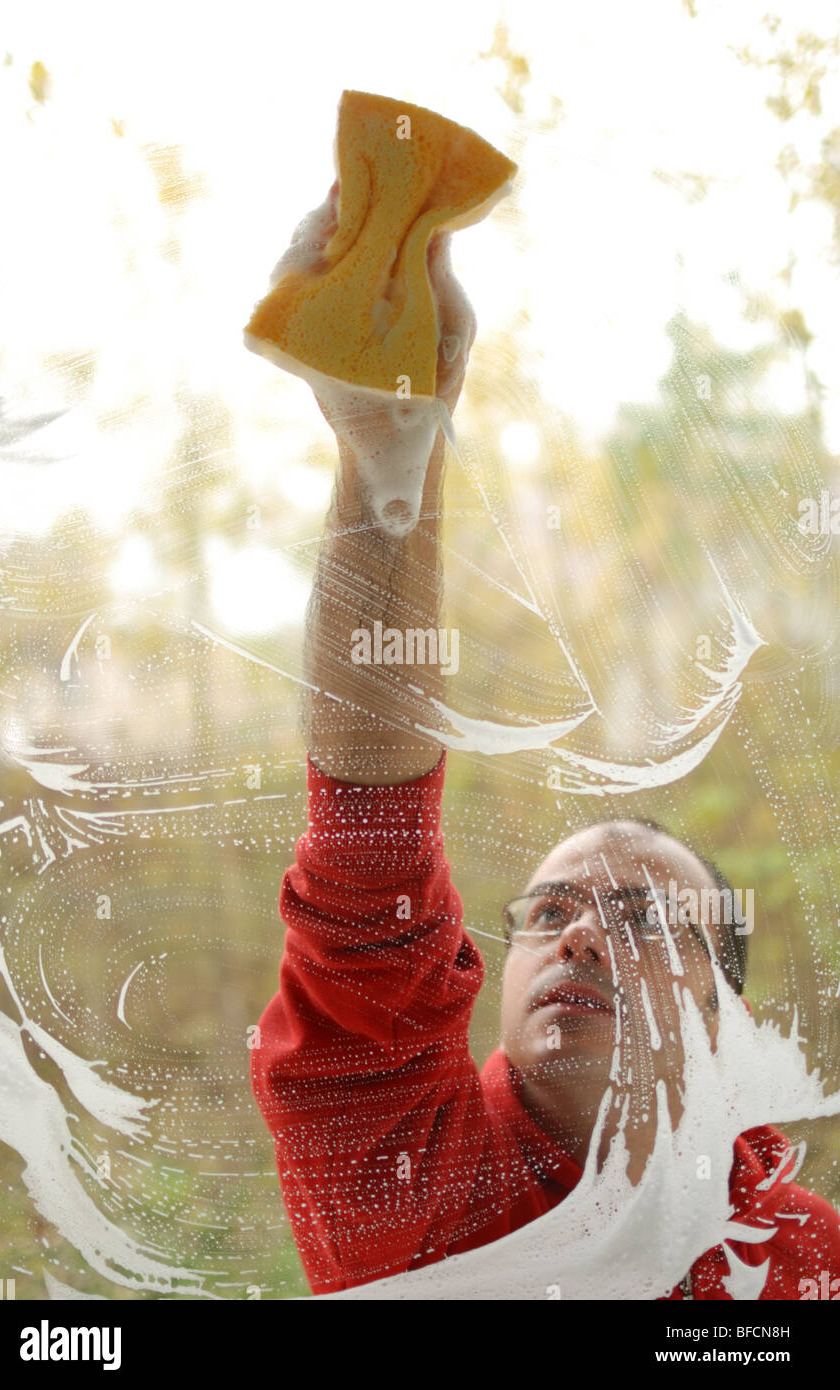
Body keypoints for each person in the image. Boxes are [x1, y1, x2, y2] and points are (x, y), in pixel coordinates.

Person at [250, 188, 840, 1298]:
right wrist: (390, 454)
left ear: (730, 1020)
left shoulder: (812, 1260)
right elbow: (368, 846)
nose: (578, 939)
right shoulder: (411, 1185)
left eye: (643, 919)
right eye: (552, 913)